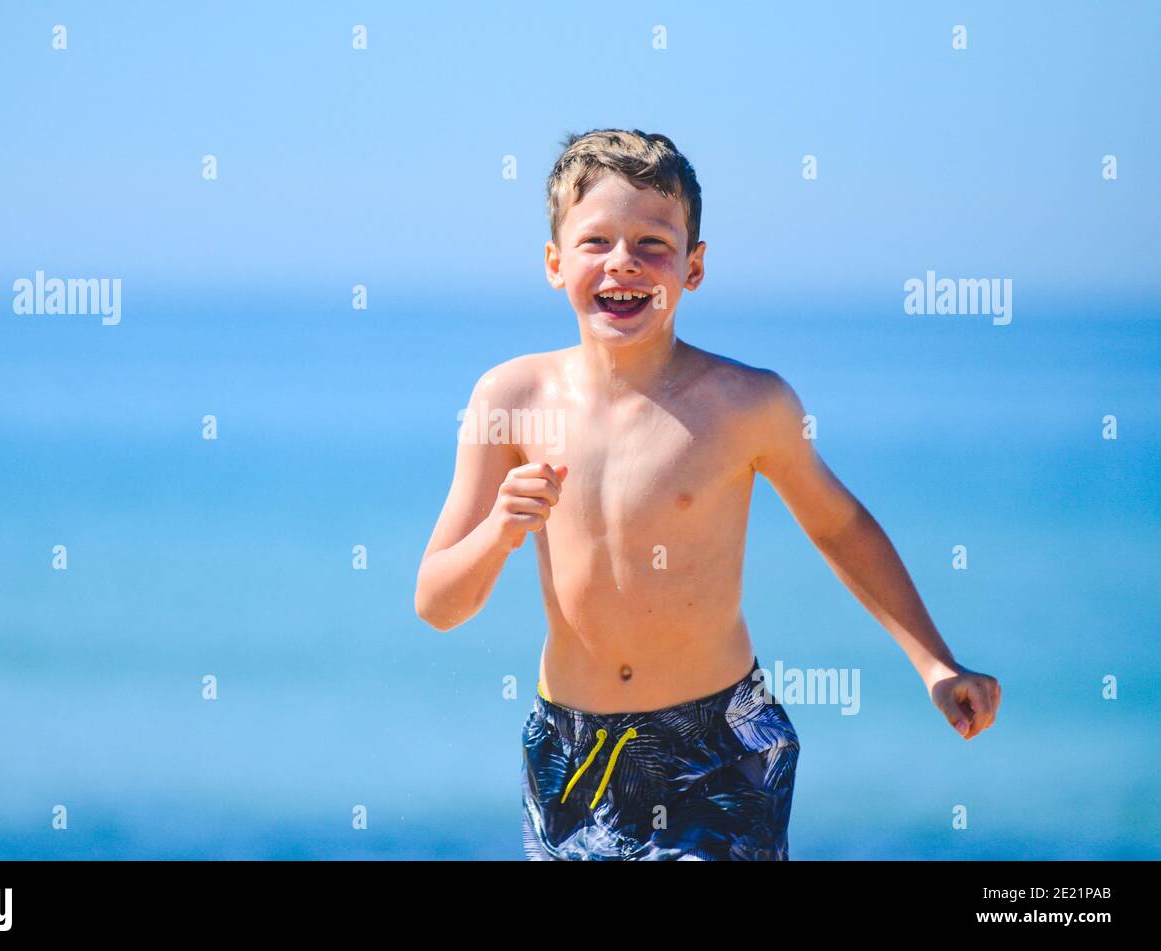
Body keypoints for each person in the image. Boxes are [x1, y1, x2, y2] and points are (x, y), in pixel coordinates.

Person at [414, 128, 1001, 860]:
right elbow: (437, 603)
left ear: (693, 268)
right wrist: (499, 530)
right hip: (572, 748)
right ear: (554, 262)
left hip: (716, 740)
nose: (623, 261)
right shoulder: (510, 398)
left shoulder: (745, 403)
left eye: (653, 244)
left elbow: (839, 526)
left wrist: (936, 664)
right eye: (596, 240)